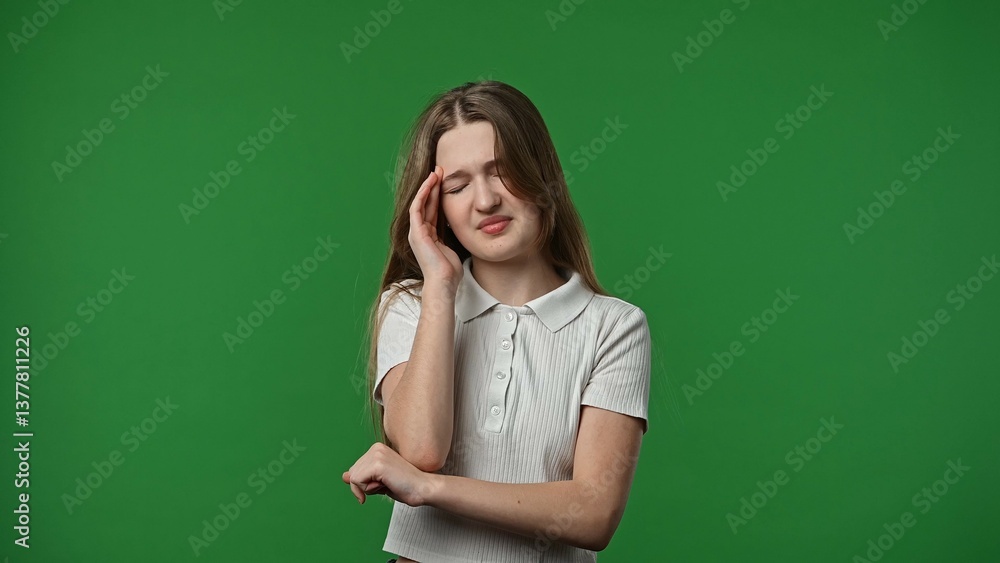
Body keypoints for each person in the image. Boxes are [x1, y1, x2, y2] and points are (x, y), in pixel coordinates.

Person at [342, 80, 652, 562]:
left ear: (541, 175)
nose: (484, 201)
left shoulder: (614, 327)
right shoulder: (409, 305)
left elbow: (593, 515)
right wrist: (441, 288)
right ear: (436, 207)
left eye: (501, 172)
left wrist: (431, 489)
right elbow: (421, 448)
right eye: (457, 186)